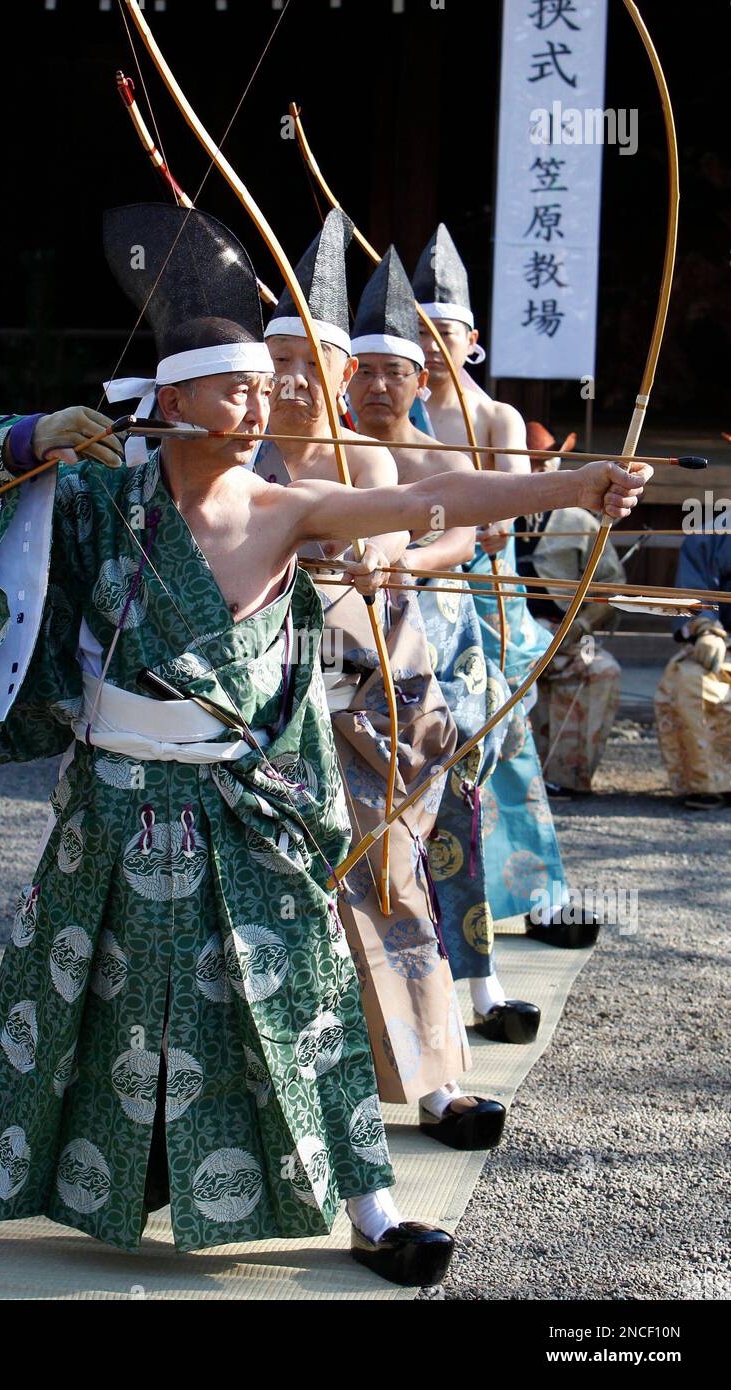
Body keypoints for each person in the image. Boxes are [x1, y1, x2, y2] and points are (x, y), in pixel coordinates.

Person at [0, 204, 648, 1289]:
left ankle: (372, 1212)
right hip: (114, 800)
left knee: (303, 1000)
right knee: (52, 993)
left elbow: (432, 497)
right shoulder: (101, 497)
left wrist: (570, 486)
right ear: (170, 400)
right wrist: (37, 435)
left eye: (265, 386)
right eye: (235, 386)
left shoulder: (281, 508)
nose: (264, 399)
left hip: (242, 801)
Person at [258, 220, 505, 1151]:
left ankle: (435, 1081)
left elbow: (432, 533)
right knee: (281, 900)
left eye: (302, 361)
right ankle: (287, 1091)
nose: (284, 381)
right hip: (275, 712)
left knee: (394, 883)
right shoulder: (247, 467)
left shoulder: (369, 460)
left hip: (376, 705)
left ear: (338, 373)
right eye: (271, 360)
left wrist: (384, 563)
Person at [346, 246, 540, 1050]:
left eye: (400, 371)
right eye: (368, 370)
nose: (384, 384)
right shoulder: (327, 450)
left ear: (422, 383)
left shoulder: (441, 455)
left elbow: (465, 536)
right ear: (345, 378)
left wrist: (404, 560)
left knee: (451, 813)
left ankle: (482, 983)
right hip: (353, 659)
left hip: (444, 658)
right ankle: (369, 1012)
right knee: (357, 824)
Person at [411, 225, 598, 950]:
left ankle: (541, 894)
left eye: (445, 331)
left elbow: (518, 503)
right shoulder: (393, 411)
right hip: (419, 594)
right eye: (418, 333)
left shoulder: (495, 416)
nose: (431, 346)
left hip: (488, 596)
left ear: (473, 338)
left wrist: (485, 527)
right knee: (421, 748)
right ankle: (427, 894)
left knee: (503, 741)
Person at [518, 421, 625, 797]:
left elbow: (611, 587)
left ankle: (567, 778)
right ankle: (511, 781)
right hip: (504, 635)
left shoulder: (579, 520)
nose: (538, 469)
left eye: (546, 461)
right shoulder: (492, 513)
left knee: (601, 669)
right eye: (529, 462)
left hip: (564, 633)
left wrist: (577, 628)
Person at [654, 532, 731, 810]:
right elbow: (694, 594)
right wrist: (707, 630)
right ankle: (709, 785)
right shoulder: (710, 537)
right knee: (689, 680)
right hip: (723, 642)